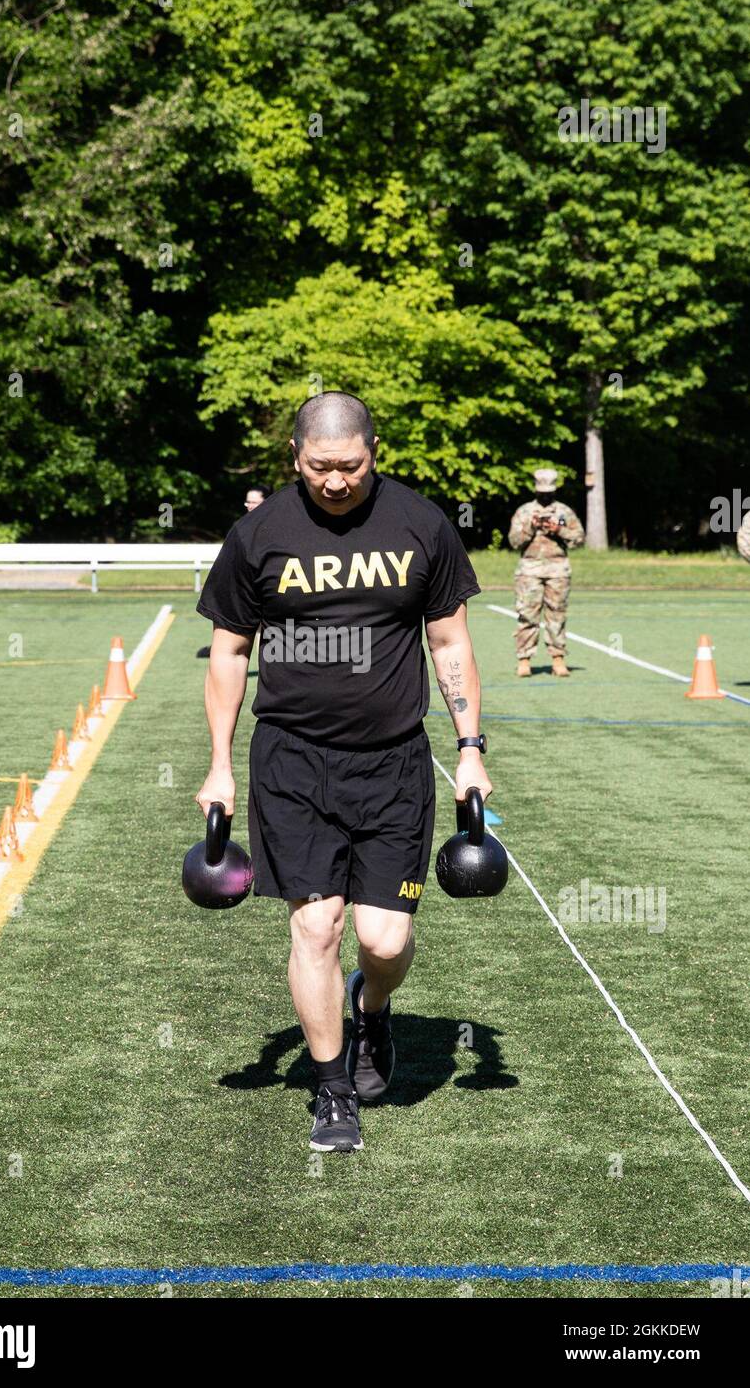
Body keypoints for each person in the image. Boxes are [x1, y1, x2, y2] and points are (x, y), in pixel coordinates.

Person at [195, 392, 492, 1154]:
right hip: (291, 760)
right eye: (321, 467)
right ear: (295, 456)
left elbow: (450, 642)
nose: (336, 482)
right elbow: (230, 653)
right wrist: (218, 767)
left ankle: (375, 1011)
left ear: (375, 451)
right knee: (315, 926)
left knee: (385, 942)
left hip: (394, 761)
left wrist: (469, 748)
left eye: (351, 467)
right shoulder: (258, 535)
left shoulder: (421, 523)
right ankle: (332, 1091)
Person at [508, 468, 585, 677]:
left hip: (558, 570)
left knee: (556, 615)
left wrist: (558, 530)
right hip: (529, 570)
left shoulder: (564, 512)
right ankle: (524, 660)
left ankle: (558, 659)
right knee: (527, 615)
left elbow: (579, 539)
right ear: (536, 489)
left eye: (549, 492)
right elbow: (514, 541)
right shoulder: (524, 512)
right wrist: (531, 528)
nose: (545, 495)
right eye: (542, 492)